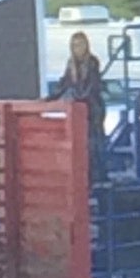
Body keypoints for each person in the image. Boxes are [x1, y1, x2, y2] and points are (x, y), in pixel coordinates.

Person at [47, 31, 109, 185]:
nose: (78, 48)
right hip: (80, 108)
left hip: (94, 107)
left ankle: (100, 175)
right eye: (75, 45)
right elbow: (65, 83)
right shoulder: (71, 64)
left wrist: (80, 99)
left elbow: (92, 85)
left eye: (81, 44)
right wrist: (49, 99)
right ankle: (86, 176)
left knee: (95, 142)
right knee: (82, 144)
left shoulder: (92, 62)